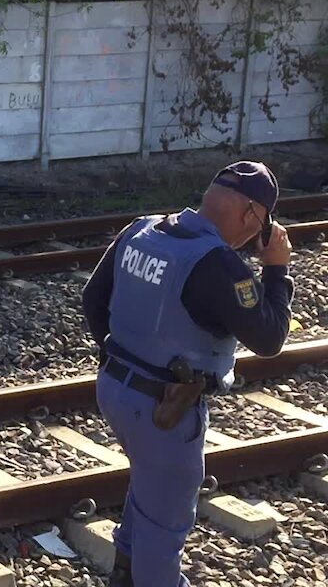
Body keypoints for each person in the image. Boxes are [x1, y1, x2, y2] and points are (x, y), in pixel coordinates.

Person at [81, 160, 295, 586]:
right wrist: (276, 269)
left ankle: (123, 575)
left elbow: (93, 298)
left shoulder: (143, 229)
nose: (255, 236)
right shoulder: (217, 265)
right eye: (260, 225)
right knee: (165, 530)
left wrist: (125, 354)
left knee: (148, 487)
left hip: (115, 390)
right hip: (167, 411)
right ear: (251, 214)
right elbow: (269, 338)